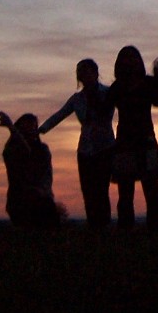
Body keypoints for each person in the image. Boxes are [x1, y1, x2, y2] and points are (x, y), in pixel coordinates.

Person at [38, 58, 115, 228]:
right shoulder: (77, 99)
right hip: (85, 150)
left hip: (105, 147)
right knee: (88, 191)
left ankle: (103, 226)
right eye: (80, 71)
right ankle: (94, 226)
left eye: (87, 70)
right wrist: (41, 129)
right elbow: (60, 114)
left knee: (101, 190)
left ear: (96, 73)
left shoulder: (108, 92)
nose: (84, 74)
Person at [106, 46, 158, 230]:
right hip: (125, 141)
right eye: (125, 58)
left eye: (132, 58)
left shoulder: (146, 82)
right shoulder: (117, 87)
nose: (129, 61)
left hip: (145, 139)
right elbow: (105, 106)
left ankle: (155, 227)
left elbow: (157, 102)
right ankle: (126, 227)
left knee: (151, 187)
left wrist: (157, 79)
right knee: (125, 189)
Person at [0, 111, 60, 228]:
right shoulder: (11, 149)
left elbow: (32, 157)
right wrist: (12, 129)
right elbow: (24, 153)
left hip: (42, 201)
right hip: (19, 201)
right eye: (26, 127)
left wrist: (11, 128)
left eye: (33, 127)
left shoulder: (42, 150)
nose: (30, 130)